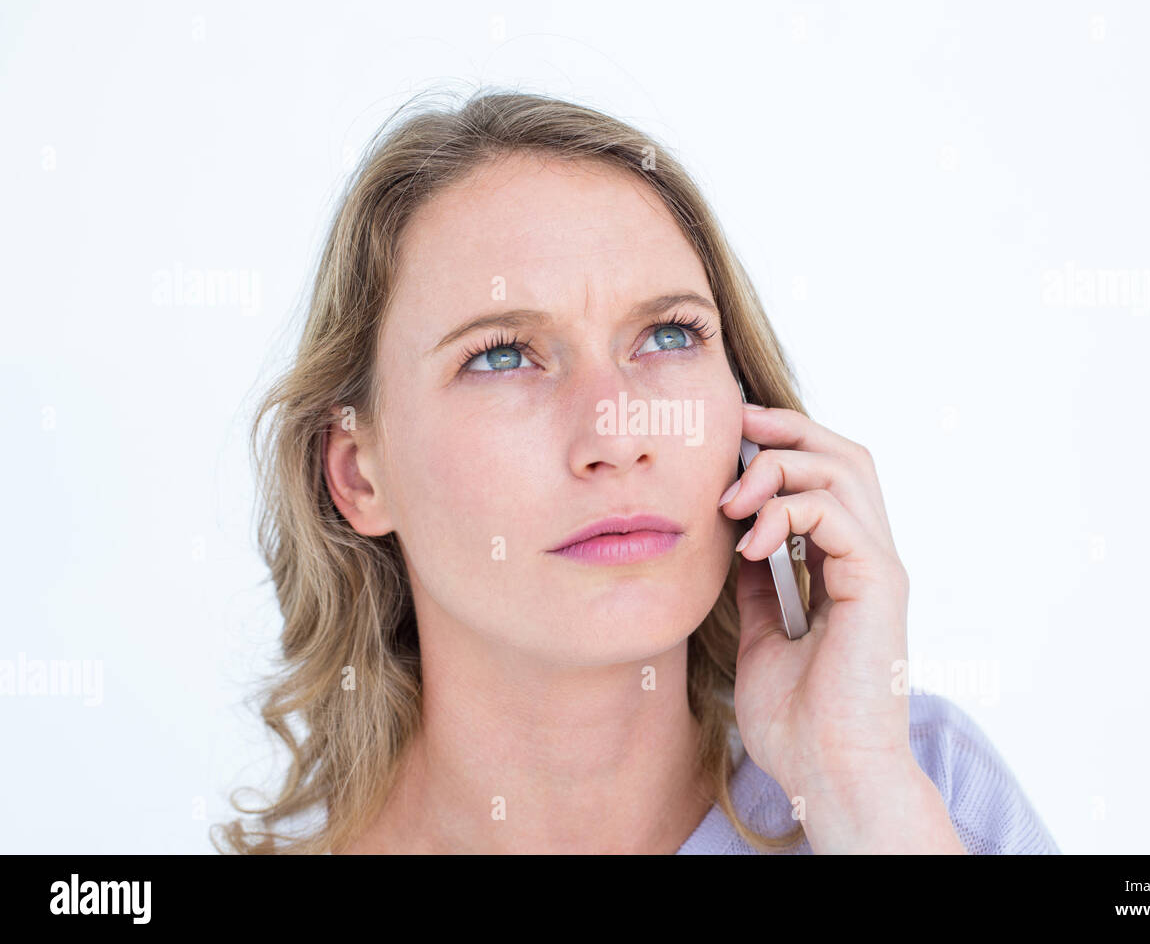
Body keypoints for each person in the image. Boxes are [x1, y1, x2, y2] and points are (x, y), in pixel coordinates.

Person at [213, 88, 1059, 855]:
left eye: (668, 336)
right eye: (502, 355)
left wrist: (857, 795)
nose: (618, 436)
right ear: (360, 476)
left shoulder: (927, 796)